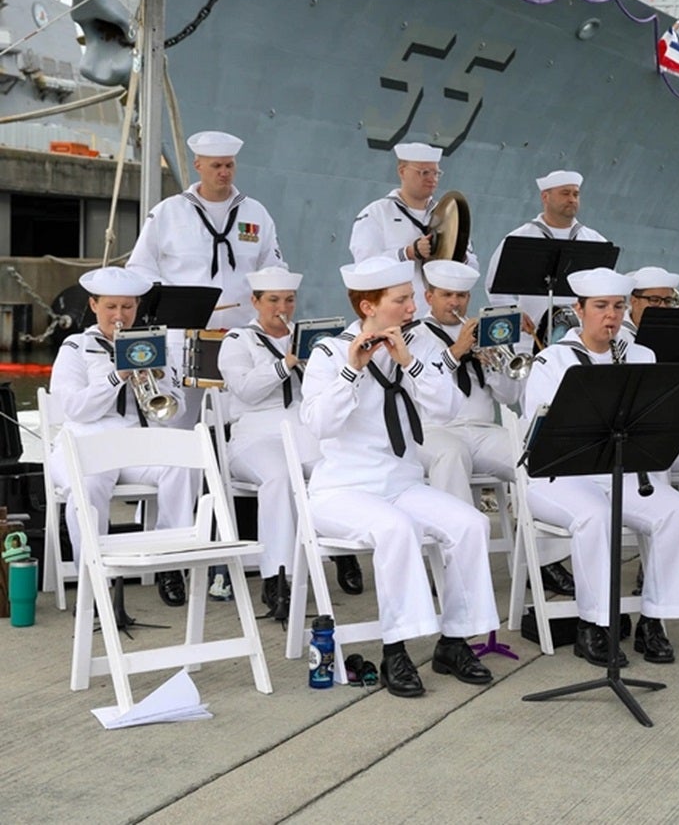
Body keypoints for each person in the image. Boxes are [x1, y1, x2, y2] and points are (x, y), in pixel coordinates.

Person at [300, 256, 499, 698]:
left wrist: (408, 363)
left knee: (471, 524)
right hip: (343, 489)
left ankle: (453, 640)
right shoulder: (329, 353)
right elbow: (319, 425)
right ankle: (396, 651)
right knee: (397, 530)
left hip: (400, 483)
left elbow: (445, 409)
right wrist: (352, 370)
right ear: (369, 306)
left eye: (410, 299)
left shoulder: (416, 349)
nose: (412, 308)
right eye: (402, 299)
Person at [521, 268, 679, 666]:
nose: (612, 316)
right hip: (562, 476)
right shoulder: (553, 360)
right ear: (578, 309)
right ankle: (595, 626)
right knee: (596, 516)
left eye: (618, 306)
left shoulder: (641, 356)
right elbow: (543, 436)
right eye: (601, 307)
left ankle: (654, 620)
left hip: (620, 471)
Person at [47, 266, 195, 607]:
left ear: (137, 307)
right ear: (94, 305)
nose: (120, 315)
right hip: (87, 441)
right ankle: (96, 576)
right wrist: (117, 377)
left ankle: (169, 560)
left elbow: (178, 411)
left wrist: (160, 379)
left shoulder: (153, 343)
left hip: (135, 444)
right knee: (90, 484)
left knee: (182, 467)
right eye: (111, 307)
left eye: (127, 307)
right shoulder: (75, 347)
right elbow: (75, 407)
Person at [217, 266, 323, 622]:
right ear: (255, 301)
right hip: (253, 434)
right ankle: (277, 577)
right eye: (273, 300)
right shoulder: (237, 340)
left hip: (300, 427)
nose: (282, 307)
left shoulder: (306, 336)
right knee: (278, 477)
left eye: (289, 300)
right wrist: (287, 362)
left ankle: (337, 557)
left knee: (332, 470)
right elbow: (245, 388)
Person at [127, 131, 287, 332]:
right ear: (198, 166)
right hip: (182, 333)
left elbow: (272, 268)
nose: (224, 172)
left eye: (229, 165)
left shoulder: (256, 213)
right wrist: (175, 299)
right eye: (217, 166)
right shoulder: (168, 212)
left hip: (243, 332)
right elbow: (139, 267)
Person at [412, 260, 523, 503]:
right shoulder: (414, 335)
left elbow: (510, 397)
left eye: (461, 295)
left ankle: (537, 531)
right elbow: (420, 382)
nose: (455, 302)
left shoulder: (488, 332)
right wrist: (457, 350)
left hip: (483, 431)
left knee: (529, 455)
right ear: (429, 297)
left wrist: (492, 368)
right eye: (447, 295)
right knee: (451, 454)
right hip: (432, 430)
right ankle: (458, 534)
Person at [348, 142, 479, 321]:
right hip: (396, 319)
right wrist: (407, 253)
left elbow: (473, 267)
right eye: (424, 172)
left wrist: (457, 256)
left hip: (439, 320)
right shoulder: (376, 214)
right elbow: (364, 268)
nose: (432, 178)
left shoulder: (448, 215)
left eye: (436, 173)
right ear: (402, 171)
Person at [485, 170, 607, 349]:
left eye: (576, 194)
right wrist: (514, 314)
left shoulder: (595, 241)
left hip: (580, 341)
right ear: (545, 196)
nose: (572, 199)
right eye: (565, 193)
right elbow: (494, 286)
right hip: (530, 340)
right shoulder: (519, 239)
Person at [621, 265, 679, 339]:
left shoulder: (676, 332)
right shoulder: (615, 333)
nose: (663, 306)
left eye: (668, 301)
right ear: (634, 301)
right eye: (655, 300)